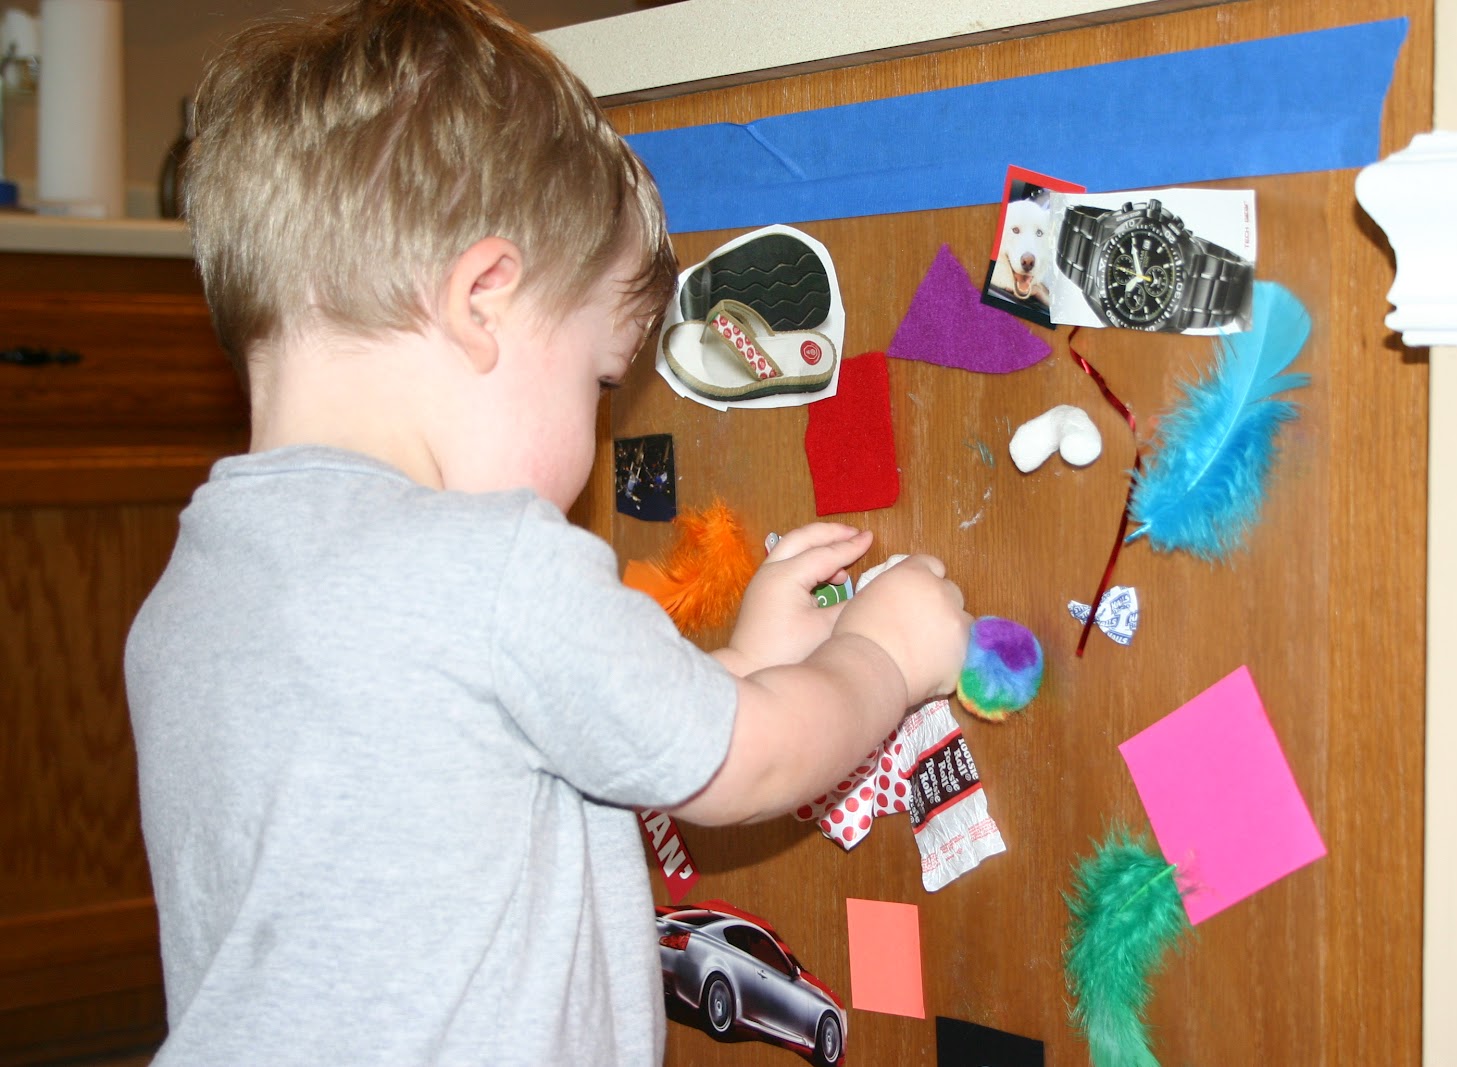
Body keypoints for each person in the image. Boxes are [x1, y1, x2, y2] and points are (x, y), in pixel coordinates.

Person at [122, 2, 971, 1064]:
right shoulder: (494, 565)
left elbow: (530, 734)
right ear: (483, 298)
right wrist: (881, 655)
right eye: (598, 380)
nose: (598, 428)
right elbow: (744, 760)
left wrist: (743, 662)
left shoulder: (192, 595)